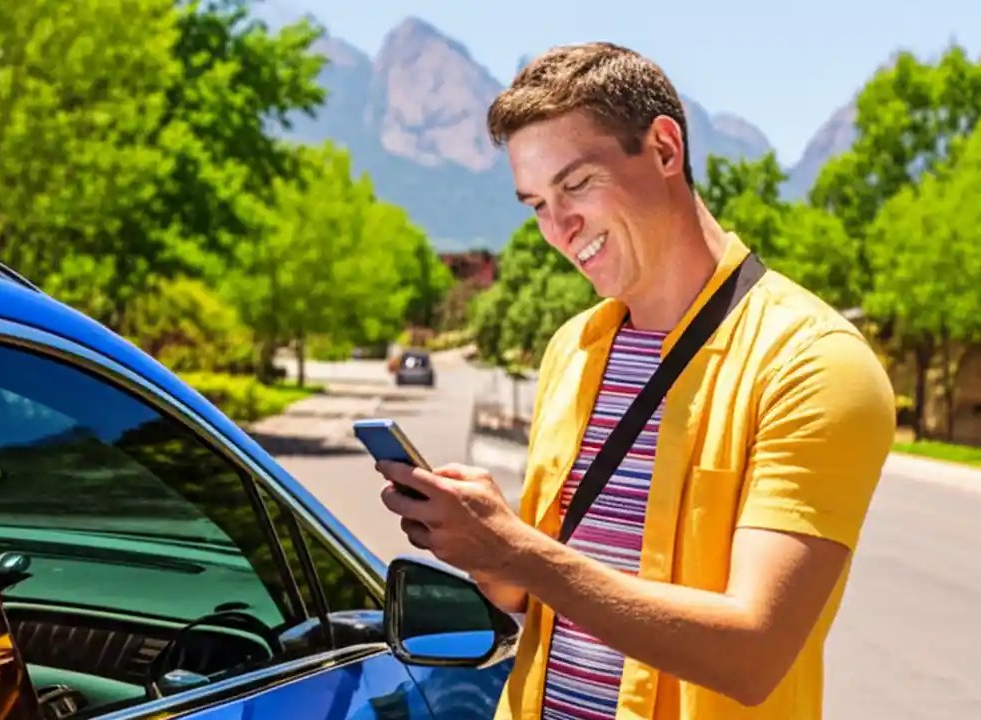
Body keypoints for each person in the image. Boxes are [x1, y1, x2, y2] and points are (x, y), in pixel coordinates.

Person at [374, 42, 895, 720]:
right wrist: (479, 543)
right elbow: (539, 598)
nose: (559, 229)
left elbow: (753, 653)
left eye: (577, 185)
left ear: (665, 149)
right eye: (536, 203)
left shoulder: (815, 362)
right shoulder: (573, 349)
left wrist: (519, 550)